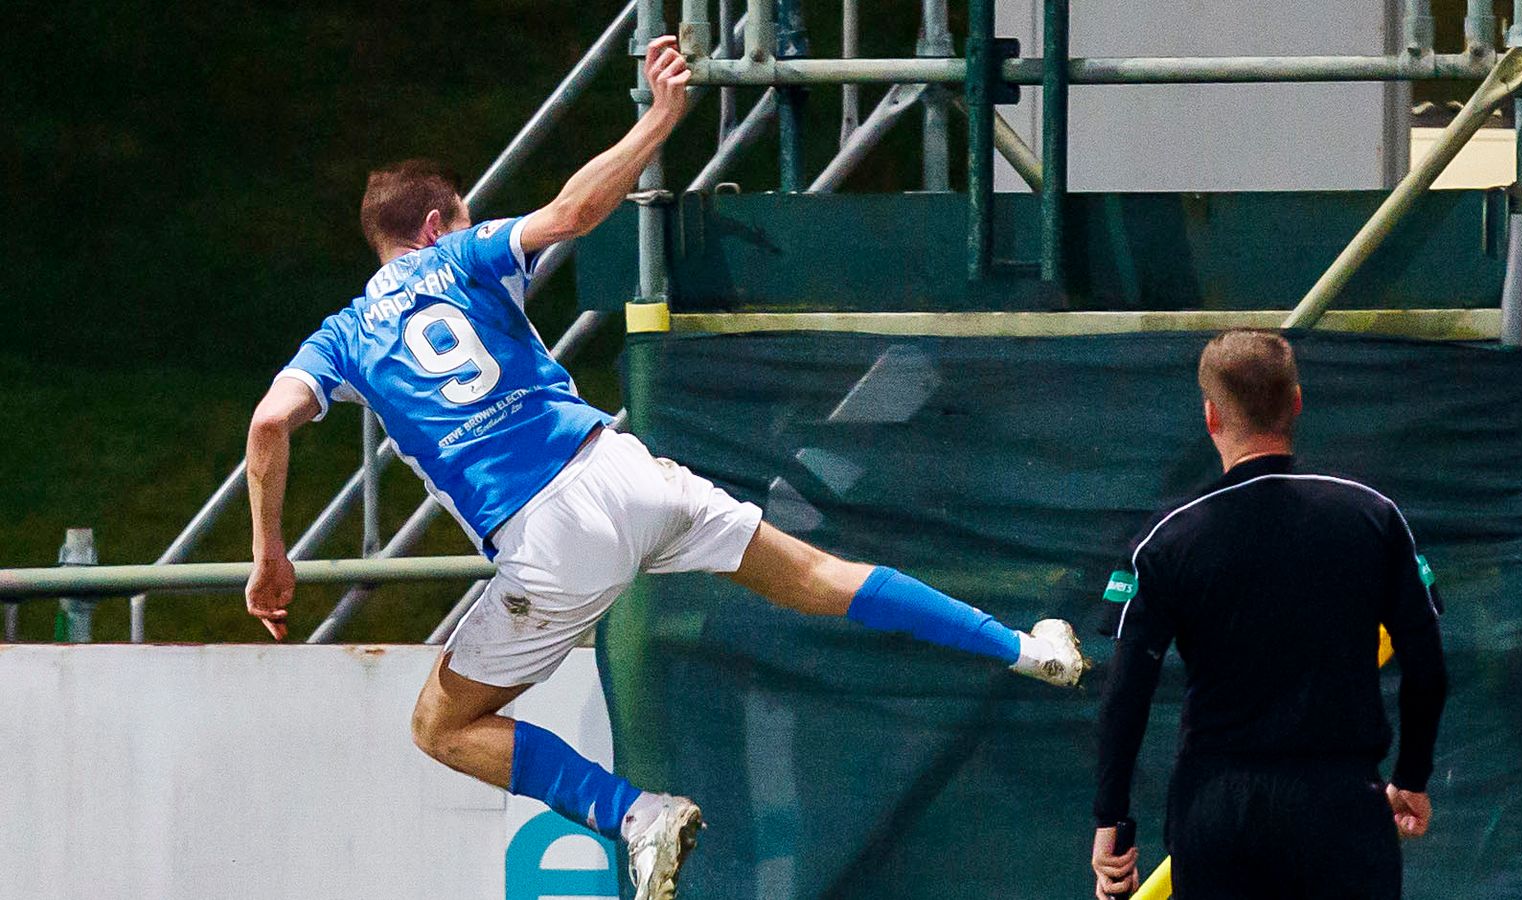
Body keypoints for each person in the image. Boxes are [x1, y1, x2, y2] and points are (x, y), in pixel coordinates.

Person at [242, 35, 1085, 900]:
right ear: (436, 224)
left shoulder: (341, 336)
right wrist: (661, 119)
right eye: (462, 215)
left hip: (547, 533)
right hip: (625, 469)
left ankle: (639, 816)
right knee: (819, 575)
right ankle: (1024, 646)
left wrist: (272, 553)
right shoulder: (461, 261)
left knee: (442, 725)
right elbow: (569, 214)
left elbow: (271, 423)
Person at [1088, 330, 1448, 900]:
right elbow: (1427, 668)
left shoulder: (1166, 541)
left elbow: (1127, 691)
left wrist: (1112, 819)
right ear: (1298, 401)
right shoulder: (1374, 517)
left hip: (1219, 811)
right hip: (1342, 807)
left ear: (1210, 415)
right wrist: (1412, 777)